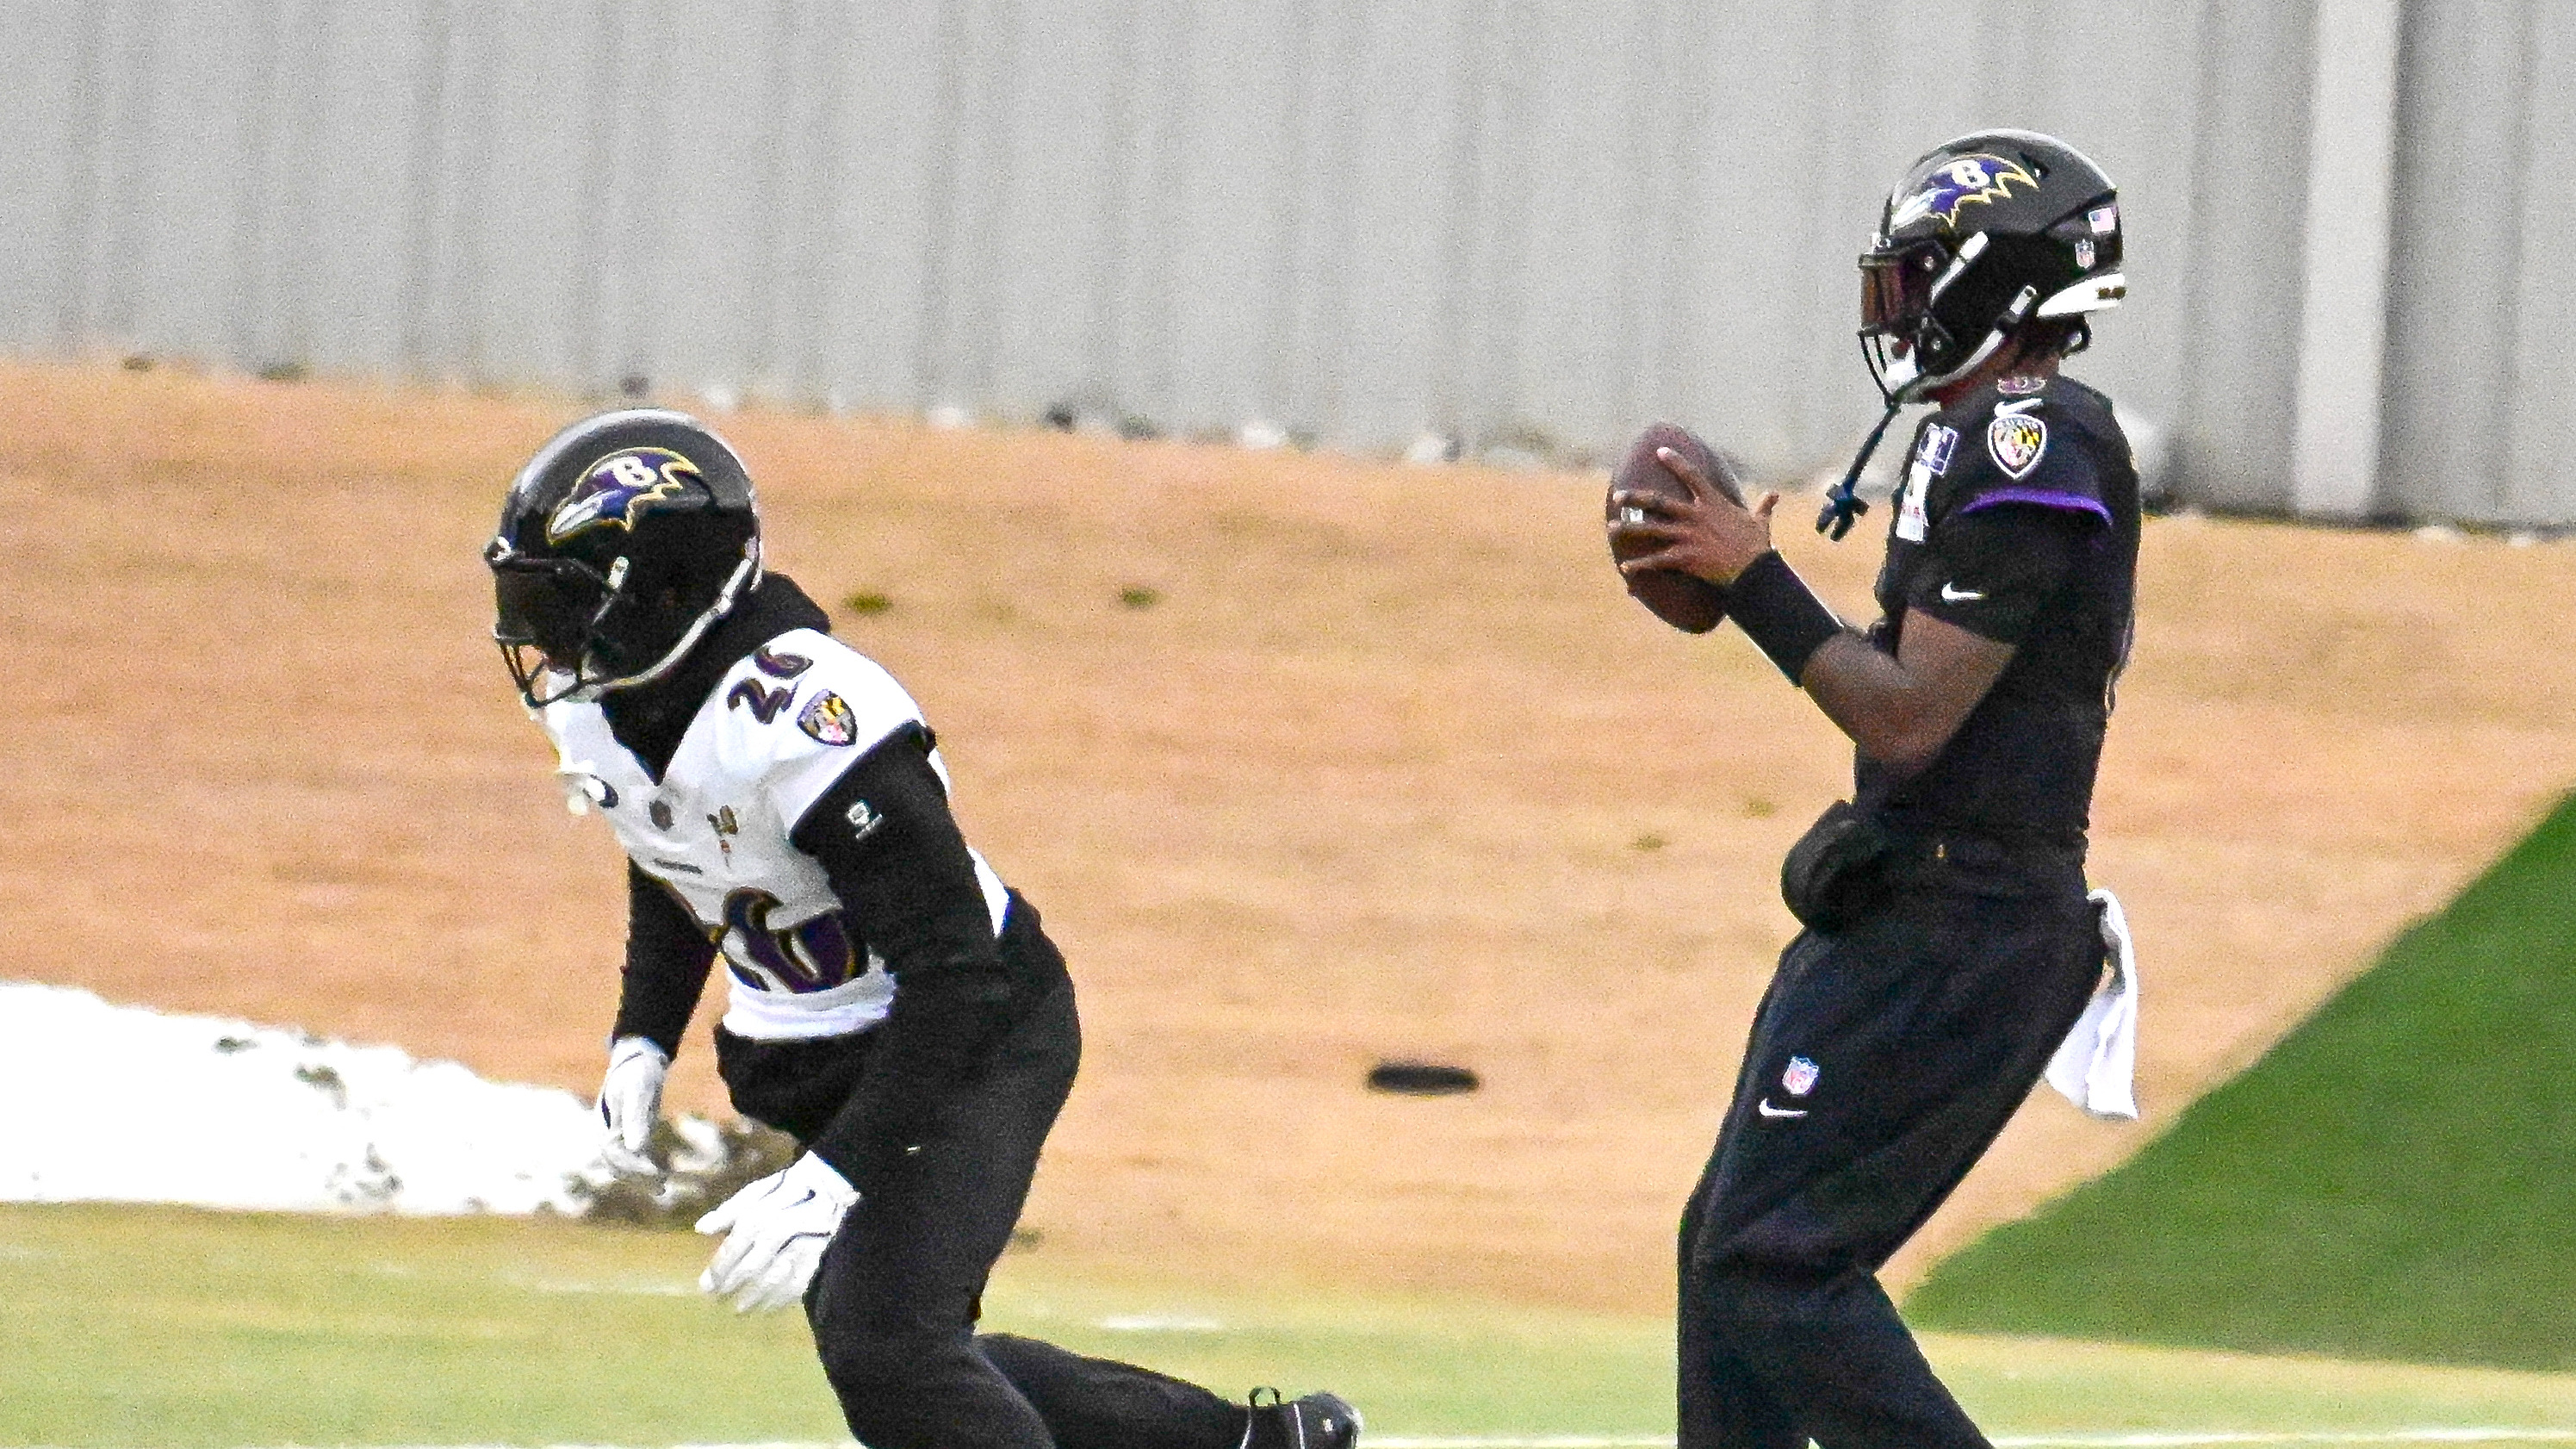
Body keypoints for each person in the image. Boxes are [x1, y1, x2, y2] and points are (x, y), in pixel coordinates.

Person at [483, 408, 1360, 1449]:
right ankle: (1254, 1445)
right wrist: (643, 1035)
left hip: (977, 1033)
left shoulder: (806, 720)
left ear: (671, 590)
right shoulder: (615, 700)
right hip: (825, 1052)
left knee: (889, 1342)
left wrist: (832, 1170)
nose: (547, 638)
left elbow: (961, 975)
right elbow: (679, 856)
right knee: (905, 1350)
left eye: (572, 602)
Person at [1606, 130, 2140, 1449]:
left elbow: (1905, 717)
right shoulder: (1978, 435)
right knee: (1723, 1245)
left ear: (1992, 282)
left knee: (1774, 1265)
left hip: (1968, 923)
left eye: (1912, 281)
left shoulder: (2035, 432)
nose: (1892, 311)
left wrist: (1750, 581)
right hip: (1911, 903)